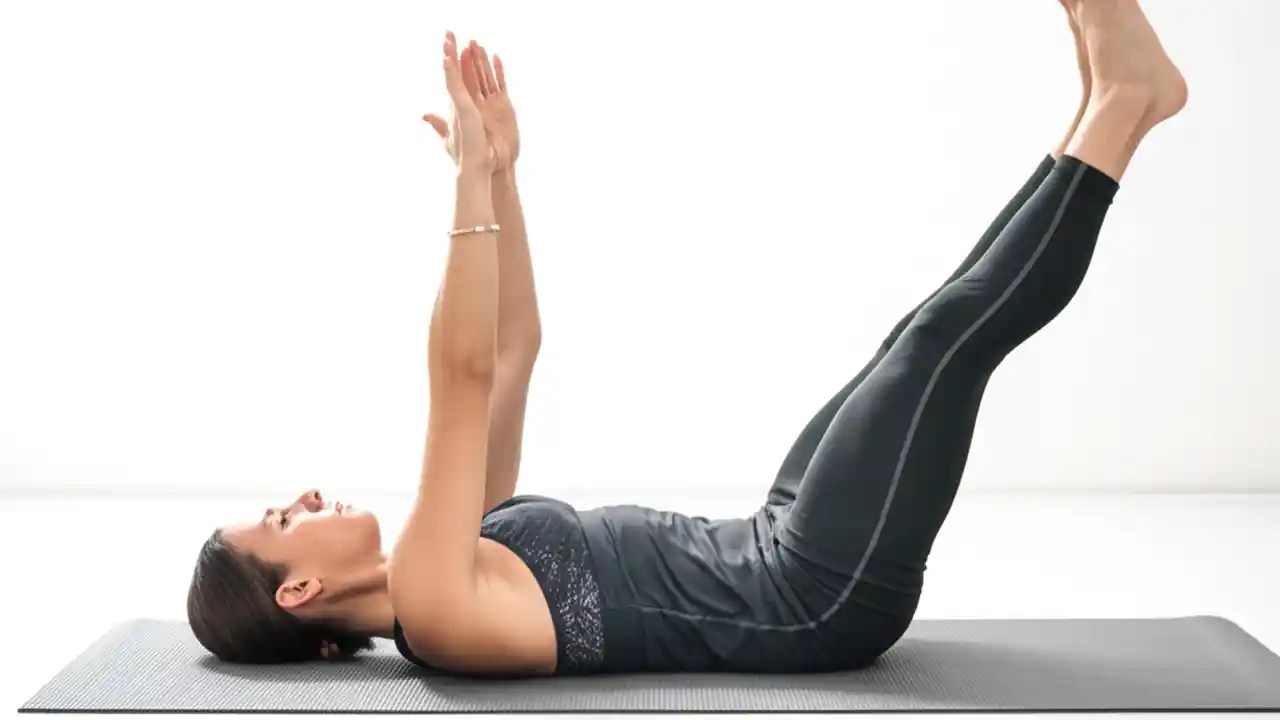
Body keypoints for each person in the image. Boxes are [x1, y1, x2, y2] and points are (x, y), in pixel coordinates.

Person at [187, 0, 1187, 677]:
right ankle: (1124, 103)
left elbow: (514, 348)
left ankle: (1097, 107)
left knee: (910, 340)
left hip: (773, 533)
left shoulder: (446, 553)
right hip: (808, 593)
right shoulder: (436, 608)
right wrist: (463, 189)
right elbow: (462, 370)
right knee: (938, 344)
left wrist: (501, 174)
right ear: (301, 590)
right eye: (280, 520)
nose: (302, 497)